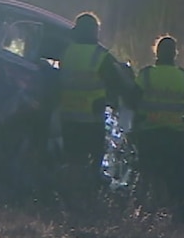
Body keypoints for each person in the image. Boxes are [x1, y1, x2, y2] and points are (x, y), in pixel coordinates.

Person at [58, 12, 136, 174]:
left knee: (72, 161)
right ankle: (89, 193)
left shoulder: (67, 52)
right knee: (93, 165)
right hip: (91, 120)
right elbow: (119, 83)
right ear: (94, 31)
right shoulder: (100, 56)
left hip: (68, 117)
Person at [133, 35, 184, 213]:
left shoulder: (146, 75)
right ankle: (178, 215)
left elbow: (133, 97)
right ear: (175, 53)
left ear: (156, 52)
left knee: (148, 177)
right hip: (176, 135)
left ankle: (145, 213)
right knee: (176, 180)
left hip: (149, 134)